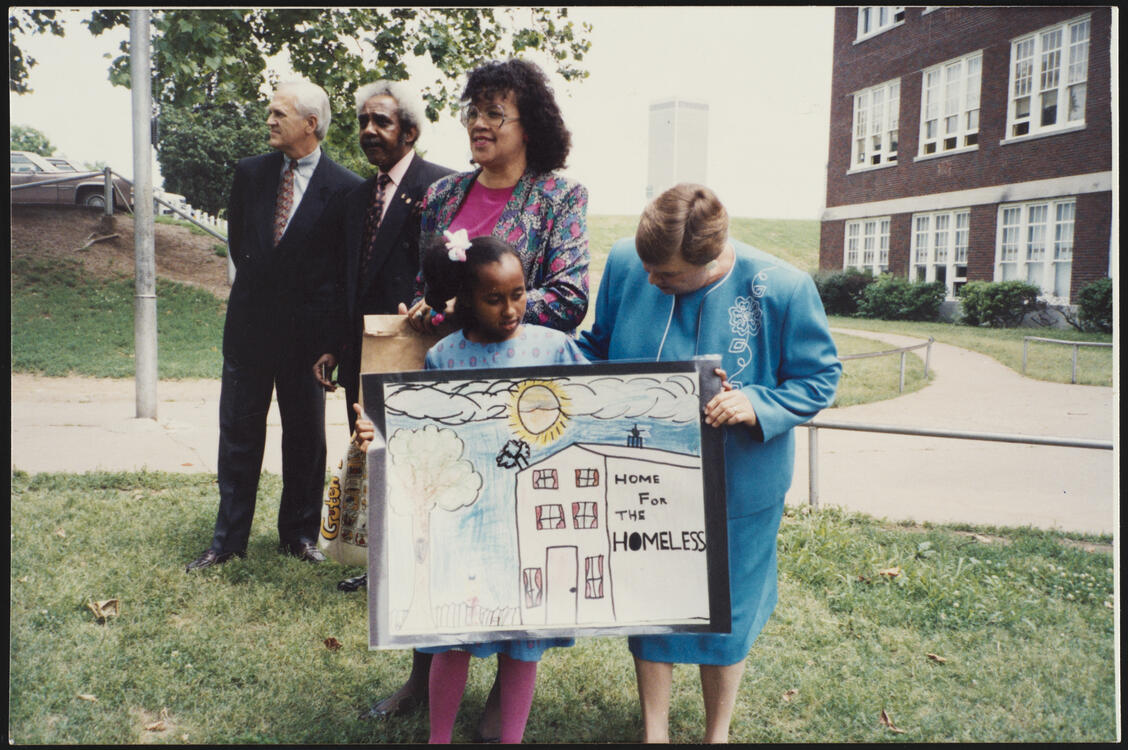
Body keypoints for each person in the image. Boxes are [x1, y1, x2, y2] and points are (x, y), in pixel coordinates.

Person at [576, 184, 841, 743]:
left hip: (740, 487)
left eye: (666, 277)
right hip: (640, 474)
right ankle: (655, 731)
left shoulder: (784, 288)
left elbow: (820, 378)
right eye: (648, 268)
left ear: (711, 258)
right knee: (650, 600)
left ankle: (716, 734)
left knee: (729, 609)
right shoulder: (628, 262)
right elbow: (595, 348)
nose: (651, 282)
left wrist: (759, 402)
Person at [371, 57, 591, 729]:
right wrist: (431, 310)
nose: (478, 123)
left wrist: (483, 314)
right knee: (438, 534)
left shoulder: (560, 197)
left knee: (510, 542)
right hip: (448, 391)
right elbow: (426, 285)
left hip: (523, 405)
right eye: (473, 110)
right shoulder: (442, 195)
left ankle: (503, 691)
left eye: (495, 113)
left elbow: (571, 294)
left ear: (531, 125)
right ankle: (423, 675)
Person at [353, 233, 586, 743]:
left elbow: (597, 404)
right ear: (464, 298)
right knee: (453, 635)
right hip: (465, 526)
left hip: (529, 521)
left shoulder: (555, 346)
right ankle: (440, 737)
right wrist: (379, 427)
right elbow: (421, 431)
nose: (510, 309)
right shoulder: (443, 357)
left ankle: (510, 739)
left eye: (520, 293)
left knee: (523, 637)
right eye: (494, 298)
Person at [186, 81, 363, 572]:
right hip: (250, 333)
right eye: (269, 112)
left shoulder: (346, 188)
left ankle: (299, 535)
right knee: (238, 437)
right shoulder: (250, 174)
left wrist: (331, 343)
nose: (269, 120)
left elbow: (341, 273)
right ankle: (227, 542)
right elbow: (242, 245)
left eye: (278, 113)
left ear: (310, 123)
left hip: (308, 346)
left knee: (305, 441)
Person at [313, 80, 454, 434]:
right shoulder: (356, 198)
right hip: (361, 359)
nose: (368, 131)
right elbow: (346, 281)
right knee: (365, 467)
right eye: (363, 122)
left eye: (381, 121)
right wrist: (332, 346)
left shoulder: (444, 188)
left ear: (410, 132)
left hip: (417, 355)